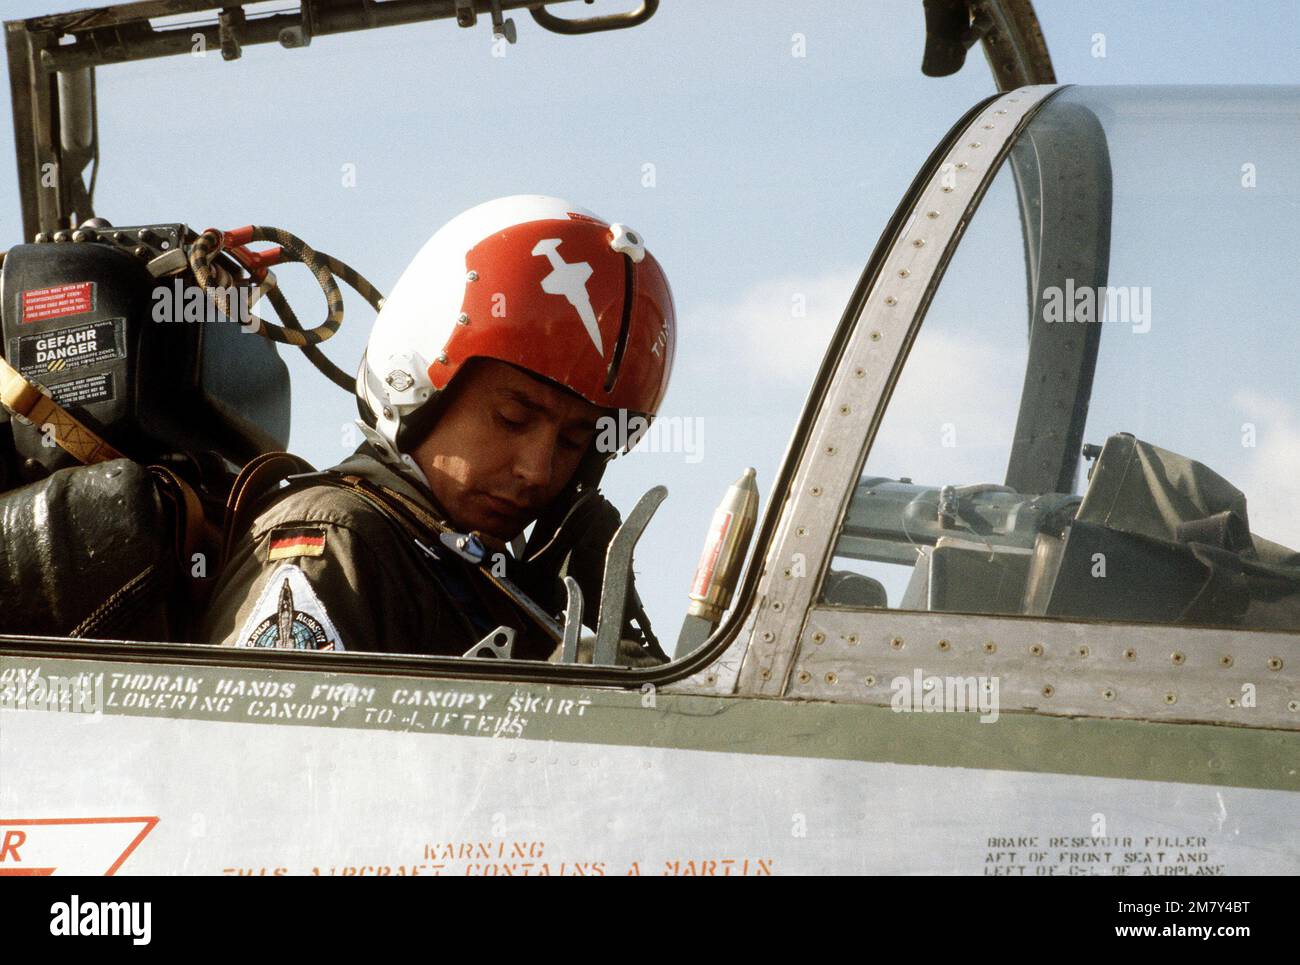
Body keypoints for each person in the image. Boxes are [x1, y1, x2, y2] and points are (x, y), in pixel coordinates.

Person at [197, 195, 675, 663]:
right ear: (420, 385)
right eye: (512, 418)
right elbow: (268, 737)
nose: (537, 470)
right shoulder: (334, 543)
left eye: (573, 440)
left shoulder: (483, 577)